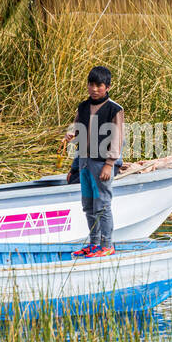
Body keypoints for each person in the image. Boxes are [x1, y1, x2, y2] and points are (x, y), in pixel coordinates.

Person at [63, 66, 124, 258]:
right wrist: (72, 136)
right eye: (91, 85)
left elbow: (117, 139)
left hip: (101, 164)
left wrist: (109, 163)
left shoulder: (114, 110)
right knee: (88, 205)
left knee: (102, 205)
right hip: (84, 162)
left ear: (107, 87)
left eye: (99, 85)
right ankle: (94, 244)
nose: (95, 89)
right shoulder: (82, 107)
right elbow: (78, 131)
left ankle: (107, 244)